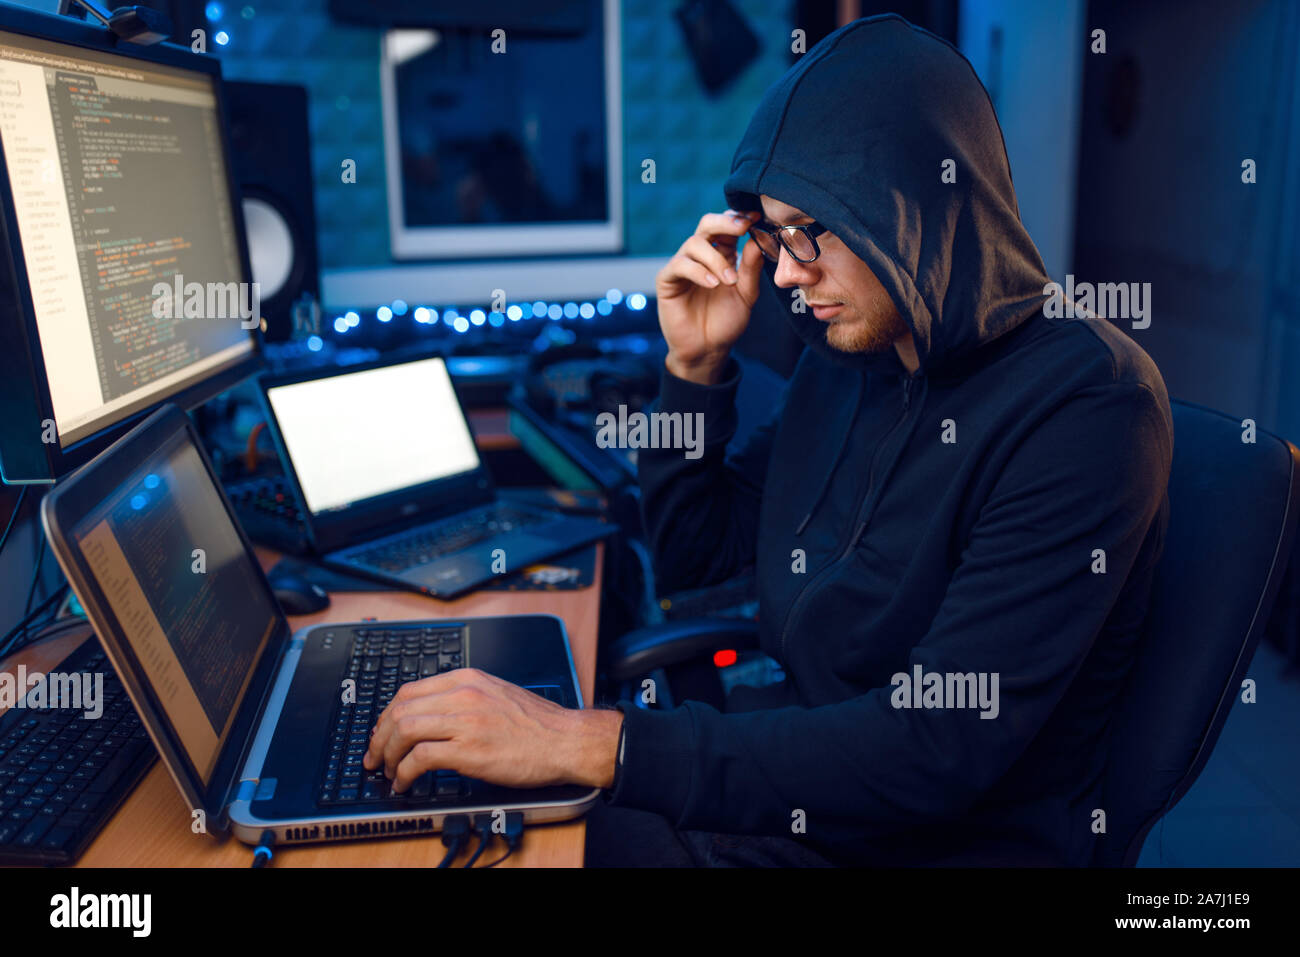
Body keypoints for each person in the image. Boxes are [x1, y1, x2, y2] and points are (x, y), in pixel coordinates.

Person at [364, 14, 1173, 867]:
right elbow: (694, 556)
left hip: (921, 838)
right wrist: (694, 363)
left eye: (810, 230)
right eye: (773, 236)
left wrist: (592, 744)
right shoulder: (851, 352)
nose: (786, 271)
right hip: (807, 774)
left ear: (913, 205)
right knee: (482, 813)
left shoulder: (1088, 408)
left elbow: (934, 747)